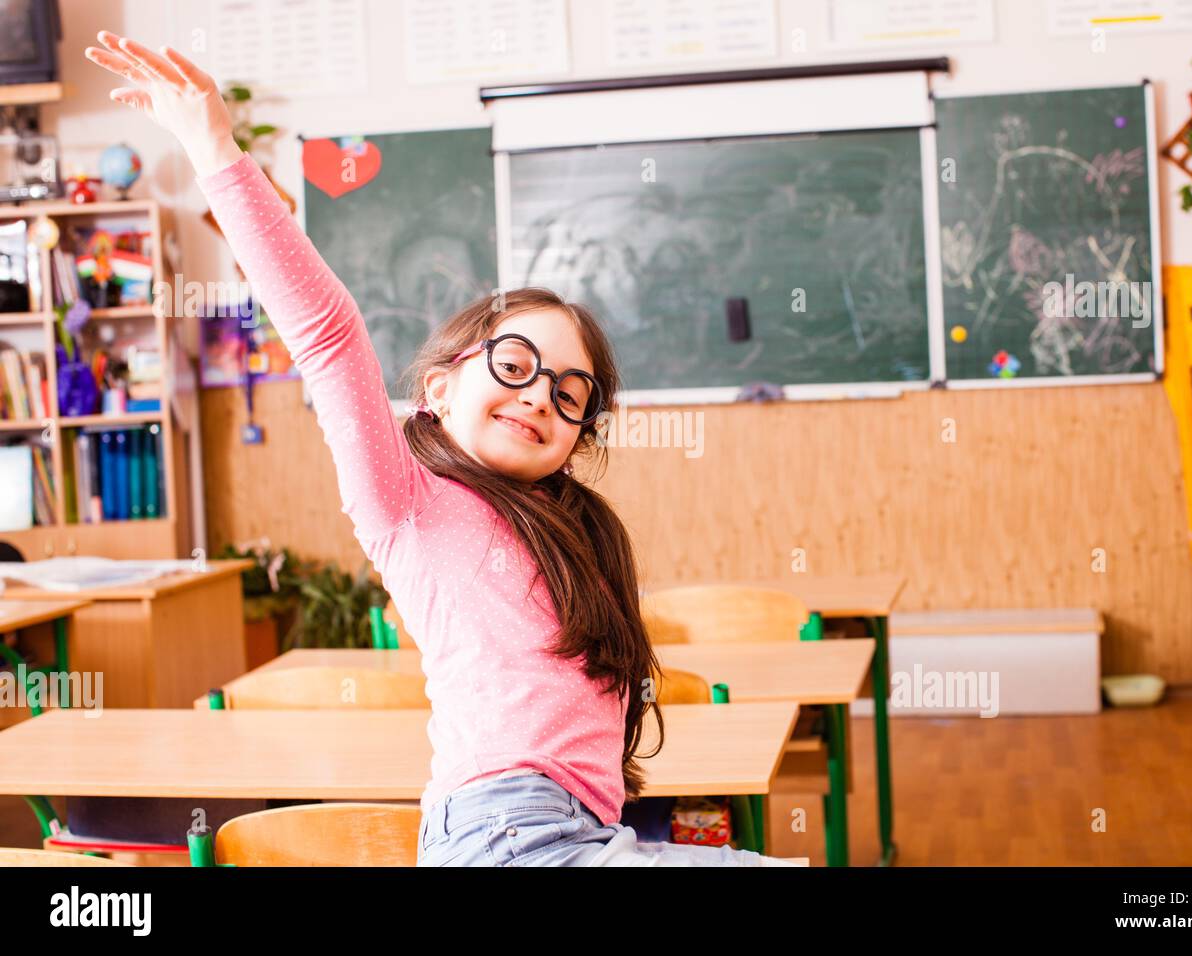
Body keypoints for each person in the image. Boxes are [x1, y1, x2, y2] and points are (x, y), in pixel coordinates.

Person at [86, 32, 798, 867]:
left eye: (570, 393)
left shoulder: (583, 532)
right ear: (438, 390)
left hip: (587, 832)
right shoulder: (406, 502)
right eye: (514, 363)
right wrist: (215, 146)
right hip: (502, 834)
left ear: (575, 438)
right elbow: (328, 336)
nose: (539, 393)